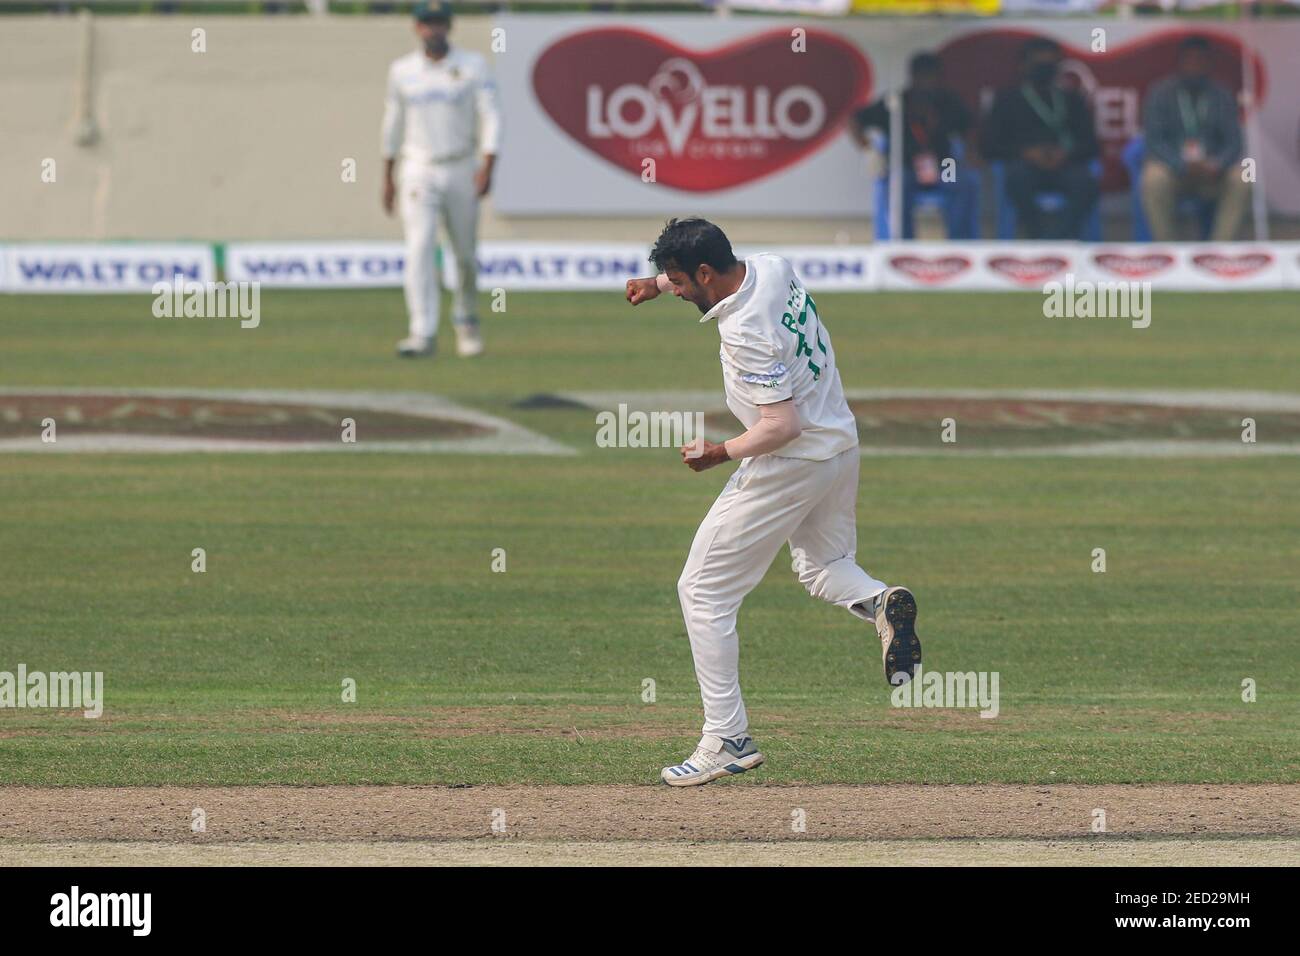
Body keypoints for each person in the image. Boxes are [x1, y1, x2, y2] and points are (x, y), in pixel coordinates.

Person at [625, 218, 922, 788]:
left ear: (706, 273)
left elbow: (780, 425)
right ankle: (880, 601)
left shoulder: (745, 332)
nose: (679, 289)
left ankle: (727, 738)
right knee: (823, 568)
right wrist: (657, 285)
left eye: (682, 281)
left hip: (792, 460)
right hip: (841, 444)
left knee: (702, 589)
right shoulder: (771, 267)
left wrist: (720, 452)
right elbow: (711, 272)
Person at [381, 0, 500, 359]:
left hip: (461, 165)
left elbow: (492, 116)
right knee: (418, 248)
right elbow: (392, 124)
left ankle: (466, 320)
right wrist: (386, 176)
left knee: (464, 254)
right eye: (426, 23)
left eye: (438, 22)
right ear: (417, 28)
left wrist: (488, 163)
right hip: (418, 167)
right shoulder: (402, 71)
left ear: (449, 26)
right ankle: (422, 332)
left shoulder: (472, 66)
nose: (433, 29)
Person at [981, 37, 1100, 240]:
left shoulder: (1071, 98)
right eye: (1039, 65)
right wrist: (1025, 153)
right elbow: (989, 146)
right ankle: (1038, 236)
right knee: (1016, 179)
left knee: (1086, 182)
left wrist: (1065, 154)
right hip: (1024, 165)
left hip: (1064, 164)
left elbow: (1091, 144)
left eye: (1050, 64)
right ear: (1024, 66)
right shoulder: (1007, 99)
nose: (1045, 70)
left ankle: (1060, 237)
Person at [851, 52, 979, 239]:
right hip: (906, 166)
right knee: (896, 185)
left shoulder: (948, 101)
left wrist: (971, 151)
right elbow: (854, 120)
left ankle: (959, 245)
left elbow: (970, 127)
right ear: (913, 77)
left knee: (963, 183)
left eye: (931, 76)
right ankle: (903, 246)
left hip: (945, 165)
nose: (927, 82)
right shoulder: (895, 102)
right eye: (922, 76)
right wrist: (869, 150)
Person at [1140, 35, 1249, 242]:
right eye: (1189, 60)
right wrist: (1180, 163)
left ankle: (1218, 250)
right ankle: (1168, 249)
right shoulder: (1161, 93)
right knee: (1153, 179)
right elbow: (1154, 141)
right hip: (1174, 171)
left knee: (1242, 179)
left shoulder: (1222, 94)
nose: (1194, 65)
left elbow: (1234, 142)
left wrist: (1218, 164)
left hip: (1212, 172)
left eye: (1200, 60)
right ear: (1179, 63)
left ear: (1209, 64)